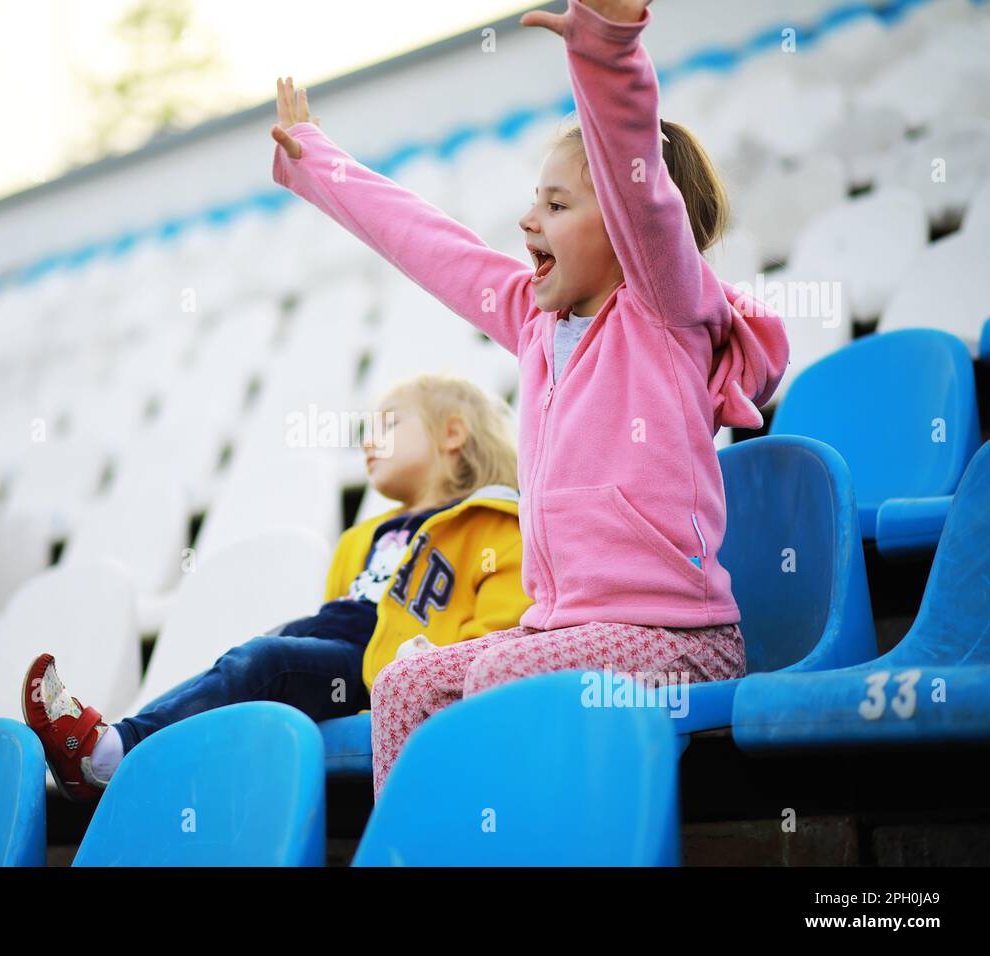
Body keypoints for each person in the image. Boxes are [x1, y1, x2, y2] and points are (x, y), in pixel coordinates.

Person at [269, 0, 790, 795]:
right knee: (407, 686)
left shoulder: (662, 308)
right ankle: (420, 850)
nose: (526, 220)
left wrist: (608, 51)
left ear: (623, 228)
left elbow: (637, 184)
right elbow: (428, 243)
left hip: (678, 639)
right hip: (563, 633)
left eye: (555, 204)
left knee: (502, 674)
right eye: (532, 201)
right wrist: (315, 159)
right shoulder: (533, 319)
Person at [22, 372, 531, 803]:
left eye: (390, 423)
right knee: (252, 665)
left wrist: (427, 665)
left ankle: (109, 753)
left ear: (453, 433)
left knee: (265, 662)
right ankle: (138, 765)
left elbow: (499, 633)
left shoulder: (495, 522)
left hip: (388, 666)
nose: (369, 439)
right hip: (339, 647)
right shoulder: (359, 540)